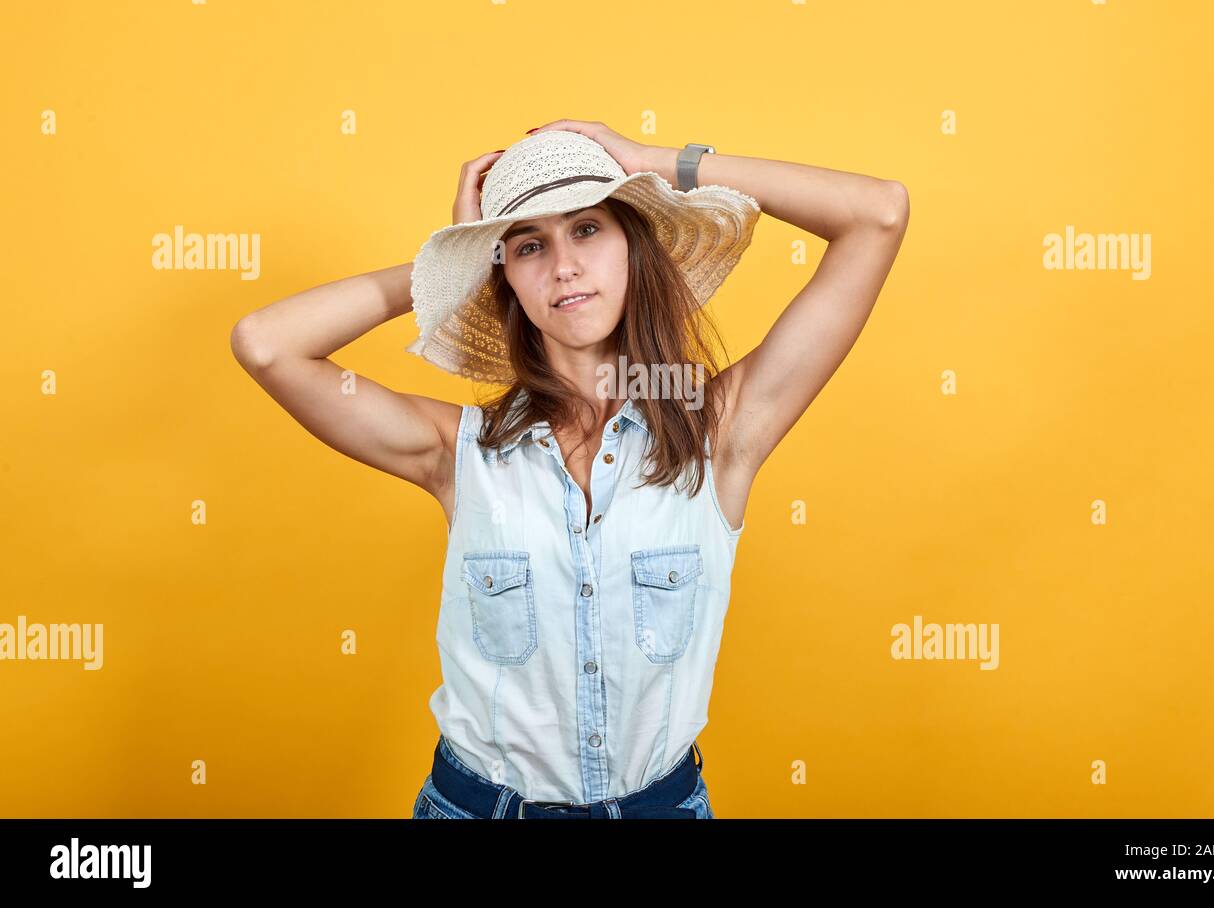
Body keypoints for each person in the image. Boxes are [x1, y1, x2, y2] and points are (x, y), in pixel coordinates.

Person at [230, 119, 909, 818]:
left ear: (632, 249)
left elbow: (879, 214)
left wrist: (654, 163)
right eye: (529, 245)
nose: (563, 266)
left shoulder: (721, 432)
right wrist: (449, 263)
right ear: (506, 275)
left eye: (587, 228)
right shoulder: (457, 450)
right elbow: (265, 345)